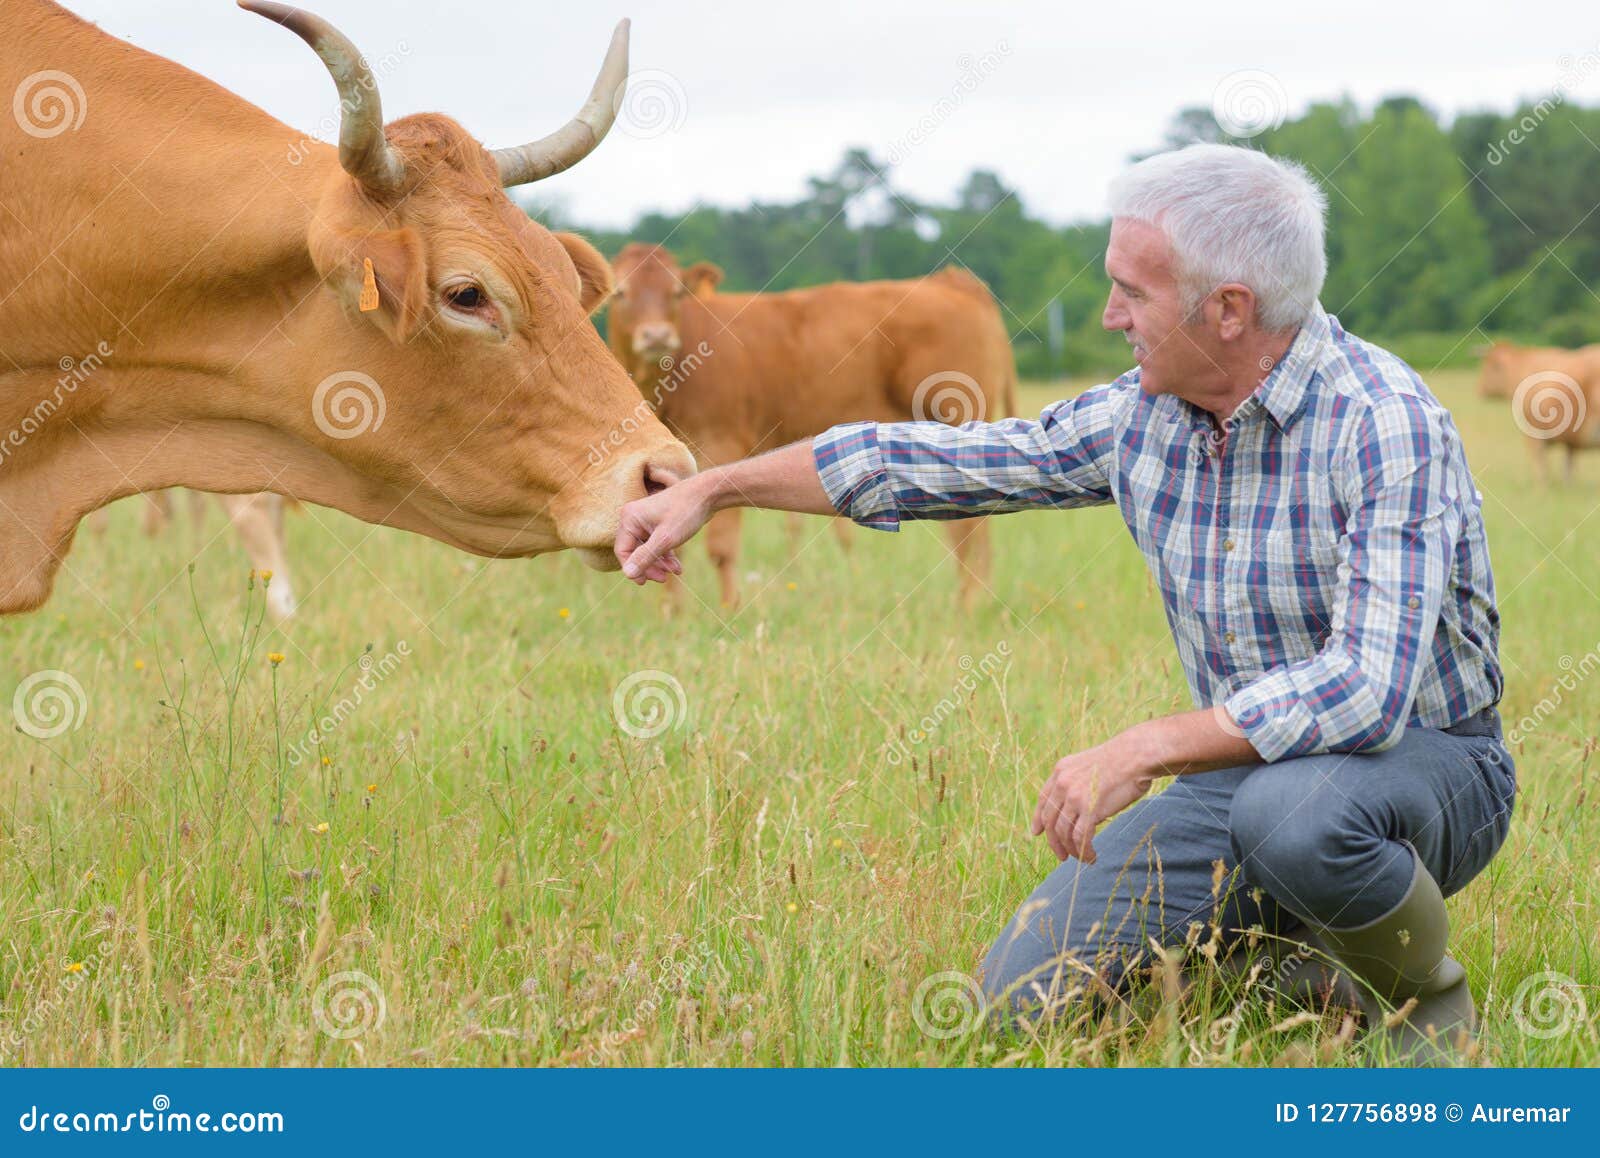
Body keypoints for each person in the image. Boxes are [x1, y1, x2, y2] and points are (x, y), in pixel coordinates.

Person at [612, 143, 1515, 1062]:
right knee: (1020, 1002)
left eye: (1132, 291)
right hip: (1240, 776)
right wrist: (713, 489)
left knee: (1296, 818)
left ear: (1229, 310)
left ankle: (1419, 1001)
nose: (1108, 313)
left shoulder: (1383, 421)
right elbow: (924, 461)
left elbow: (1366, 691)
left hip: (1425, 767)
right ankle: (1291, 954)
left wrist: (1147, 746)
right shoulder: (1144, 415)